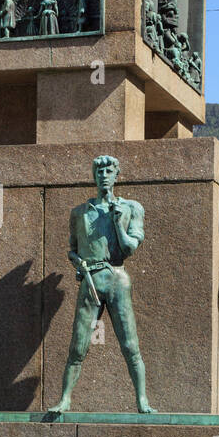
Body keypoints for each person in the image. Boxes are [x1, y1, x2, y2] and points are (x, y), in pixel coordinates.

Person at [48, 154, 155, 415]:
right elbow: (72, 250)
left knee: (130, 344)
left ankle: (142, 400)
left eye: (109, 171)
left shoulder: (131, 208)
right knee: (78, 344)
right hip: (91, 280)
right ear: (94, 176)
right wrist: (77, 262)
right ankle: (65, 399)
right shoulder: (79, 213)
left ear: (117, 176)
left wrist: (118, 223)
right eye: (99, 172)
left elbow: (129, 248)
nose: (104, 175)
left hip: (117, 278)